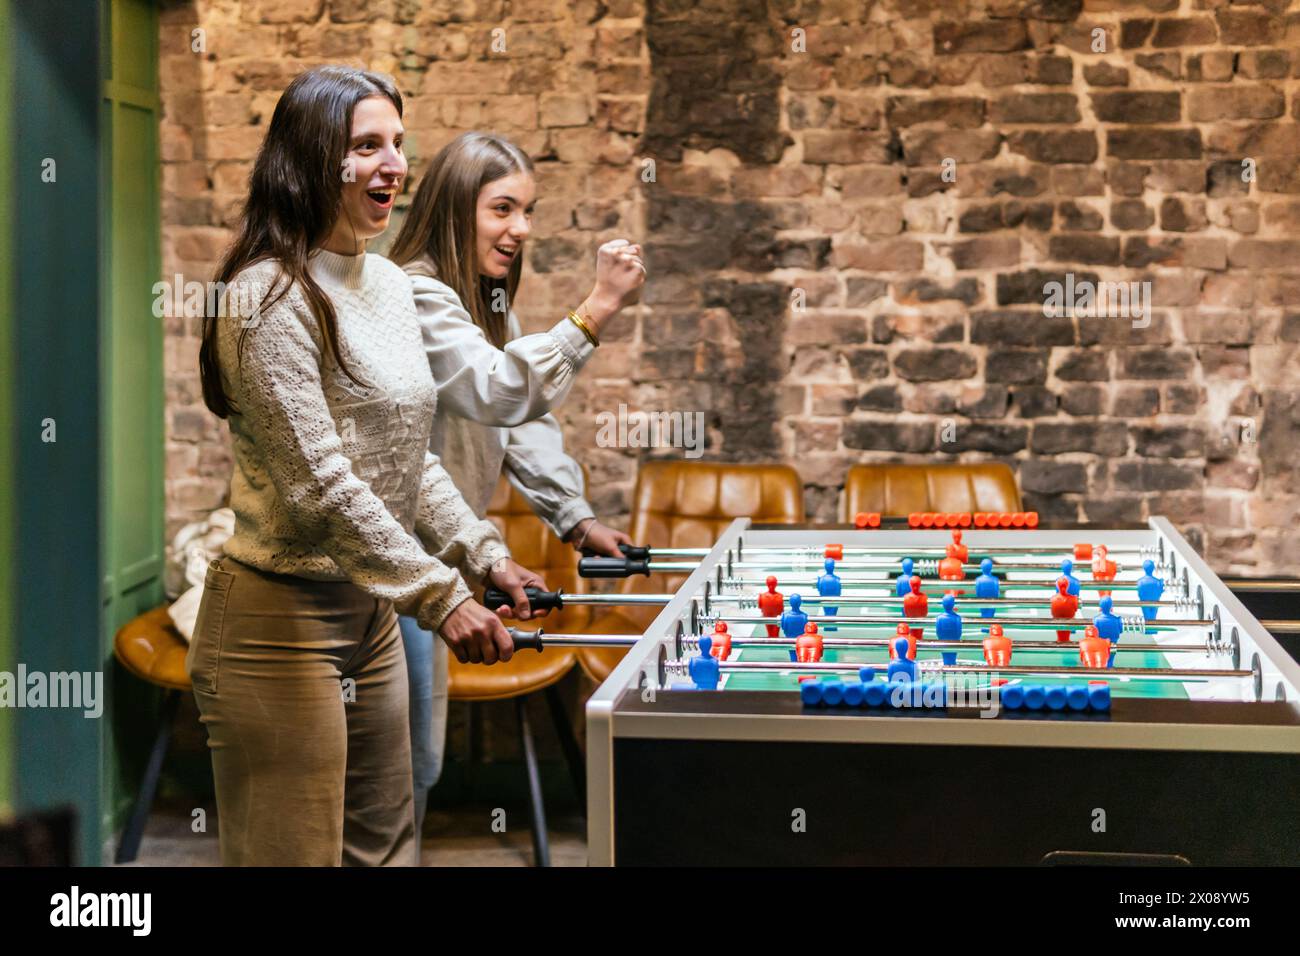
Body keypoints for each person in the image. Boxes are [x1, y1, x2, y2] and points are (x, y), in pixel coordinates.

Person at [188, 67, 540, 866]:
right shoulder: (264, 297)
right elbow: (321, 486)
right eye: (366, 147)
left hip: (368, 618)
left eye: (398, 145)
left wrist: (482, 553)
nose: (394, 165)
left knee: (385, 851)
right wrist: (443, 596)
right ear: (313, 161)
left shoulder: (383, 282)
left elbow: (402, 459)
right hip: (275, 626)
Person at [387, 131, 645, 834]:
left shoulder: (487, 301)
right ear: (455, 206)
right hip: (394, 569)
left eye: (527, 211)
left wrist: (575, 518)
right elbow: (500, 390)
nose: (521, 229)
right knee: (398, 769)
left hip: (446, 564)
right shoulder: (412, 295)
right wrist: (596, 309)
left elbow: (522, 422)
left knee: (417, 764)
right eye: (503, 209)